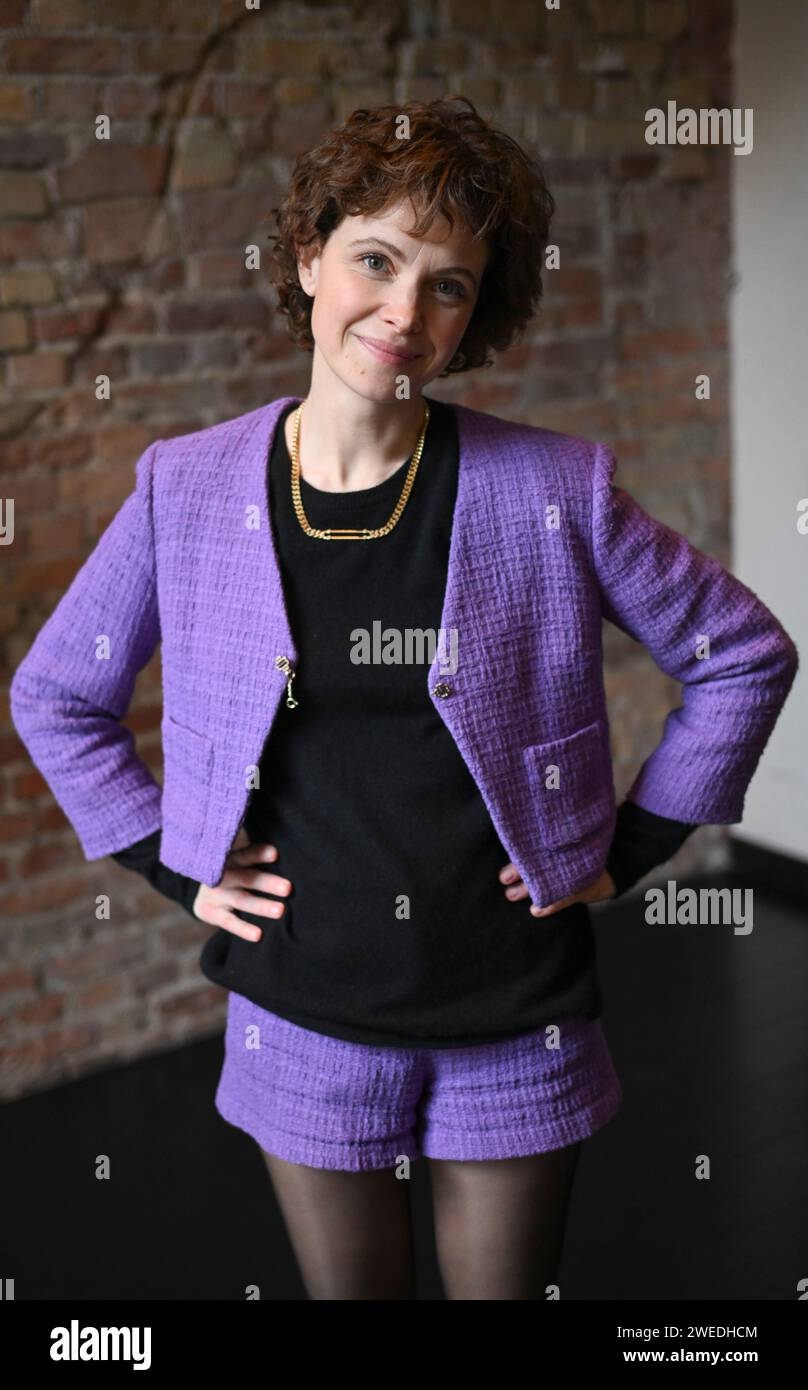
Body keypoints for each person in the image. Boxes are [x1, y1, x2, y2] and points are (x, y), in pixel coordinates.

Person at [10, 96, 798, 1301]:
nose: (403, 312)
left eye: (449, 286)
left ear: (475, 316)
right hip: (302, 1003)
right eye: (375, 259)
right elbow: (59, 694)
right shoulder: (187, 487)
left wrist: (628, 850)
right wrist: (181, 867)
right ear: (311, 254)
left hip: (510, 1001)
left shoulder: (553, 488)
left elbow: (741, 652)